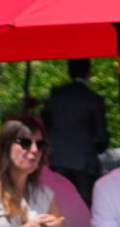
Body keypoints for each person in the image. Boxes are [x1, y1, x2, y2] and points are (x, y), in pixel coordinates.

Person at [42, 59, 108, 206]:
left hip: (58, 161)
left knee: (60, 208)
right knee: (83, 210)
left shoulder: (56, 95)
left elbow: (45, 122)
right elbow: (102, 139)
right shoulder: (94, 99)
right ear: (89, 73)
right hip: (85, 163)